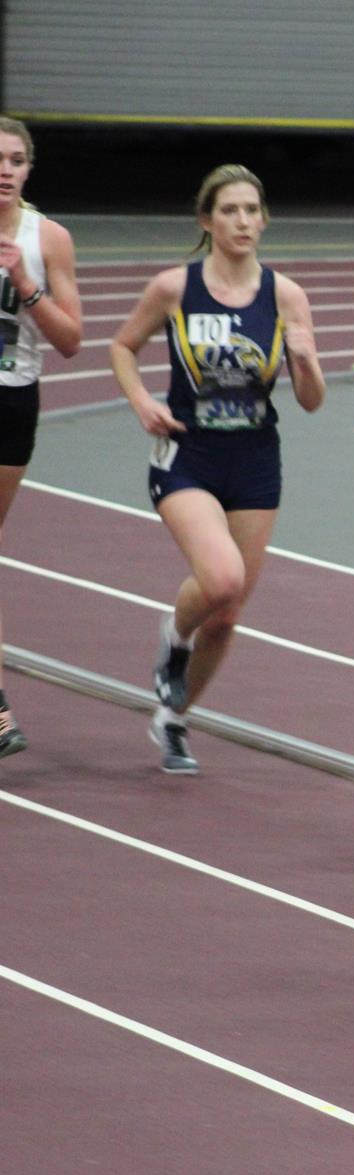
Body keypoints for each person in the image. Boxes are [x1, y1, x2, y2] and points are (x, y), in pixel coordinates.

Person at [109, 165, 325, 776]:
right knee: (222, 578)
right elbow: (122, 346)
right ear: (207, 222)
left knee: (227, 617)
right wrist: (142, 401)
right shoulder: (175, 288)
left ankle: (173, 720)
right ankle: (173, 639)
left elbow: (311, 401)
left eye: (252, 210)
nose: (243, 222)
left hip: (255, 461)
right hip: (188, 455)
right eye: (229, 211)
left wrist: (306, 363)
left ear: (264, 219)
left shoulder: (285, 296)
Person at [0, 117, 81, 757]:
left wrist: (26, 286)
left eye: (17, 160)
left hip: (12, 401)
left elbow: (72, 341)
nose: (6, 169)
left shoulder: (47, 237)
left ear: (30, 170)